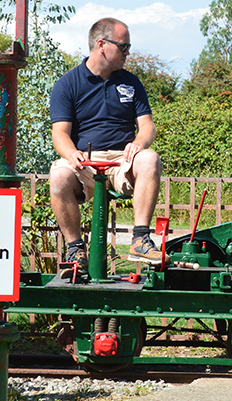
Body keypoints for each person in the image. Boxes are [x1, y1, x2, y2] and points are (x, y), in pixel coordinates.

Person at [48, 17, 162, 275]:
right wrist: (71, 154)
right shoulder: (68, 84)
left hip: (123, 161)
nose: (127, 53)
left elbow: (147, 127)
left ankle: (140, 240)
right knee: (58, 175)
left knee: (150, 159)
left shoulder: (131, 82)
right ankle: (75, 250)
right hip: (85, 163)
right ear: (101, 45)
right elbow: (60, 134)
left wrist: (138, 143)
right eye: (123, 47)